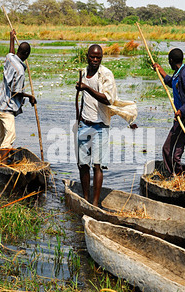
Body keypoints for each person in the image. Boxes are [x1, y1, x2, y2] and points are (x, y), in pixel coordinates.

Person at [75, 44, 122, 207]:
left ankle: (95, 203)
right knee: (82, 164)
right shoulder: (83, 73)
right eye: (92, 57)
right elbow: (81, 101)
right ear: (87, 56)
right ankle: (86, 198)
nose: (95, 60)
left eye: (98, 57)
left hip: (100, 126)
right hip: (84, 125)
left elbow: (108, 99)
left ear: (101, 58)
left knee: (97, 165)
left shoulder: (106, 74)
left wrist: (86, 88)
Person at [0, 29, 36, 164]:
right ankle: (3, 161)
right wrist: (29, 96)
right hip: (6, 107)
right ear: (26, 54)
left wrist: (11, 38)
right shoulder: (20, 71)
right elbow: (15, 91)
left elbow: (11, 52)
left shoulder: (11, 58)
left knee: (2, 132)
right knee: (11, 134)